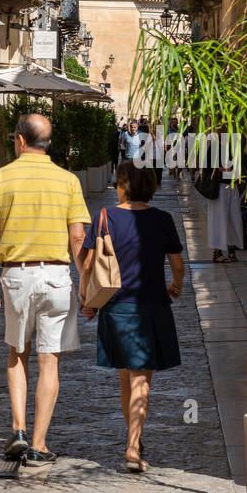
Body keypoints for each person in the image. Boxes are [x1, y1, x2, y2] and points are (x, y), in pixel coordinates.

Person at [0, 113, 90, 463]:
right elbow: (77, 236)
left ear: (20, 141)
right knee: (49, 361)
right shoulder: (68, 180)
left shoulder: (1, 177)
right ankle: (39, 445)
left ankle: (18, 430)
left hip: (17, 275)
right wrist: (85, 284)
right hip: (56, 276)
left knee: (17, 354)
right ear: (48, 143)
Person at [80, 160, 184, 473]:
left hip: (115, 308)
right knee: (141, 380)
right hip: (151, 306)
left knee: (126, 378)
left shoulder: (104, 217)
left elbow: (88, 263)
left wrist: (88, 301)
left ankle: (133, 438)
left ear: (122, 186)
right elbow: (177, 265)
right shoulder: (163, 220)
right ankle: (133, 444)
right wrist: (175, 286)